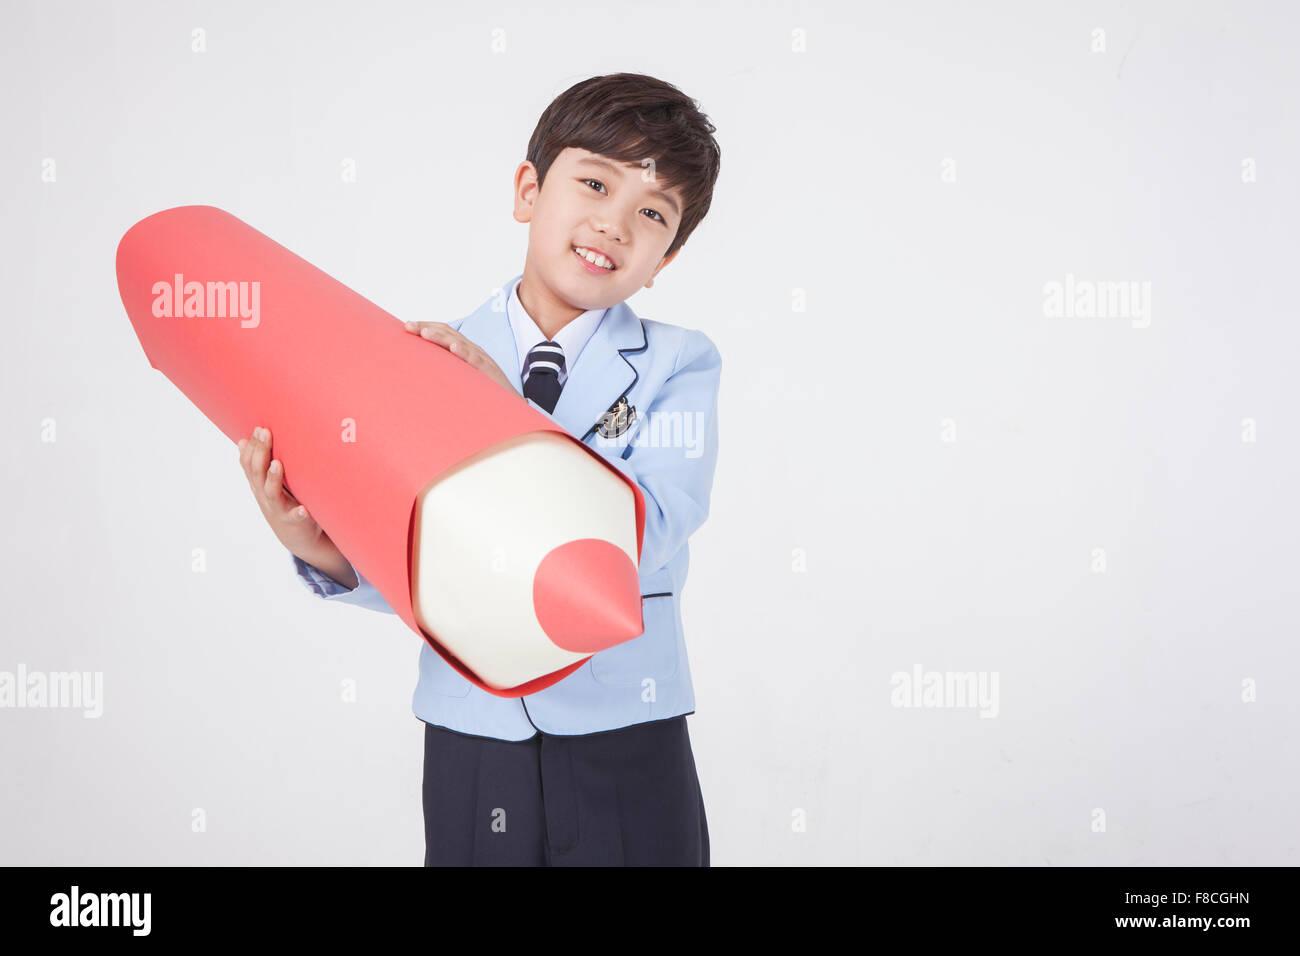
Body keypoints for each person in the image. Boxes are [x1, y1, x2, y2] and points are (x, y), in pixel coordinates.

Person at [236, 73, 723, 866]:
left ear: (665, 257)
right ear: (529, 189)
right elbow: (422, 555)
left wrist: (511, 417)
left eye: (651, 214)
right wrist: (324, 545)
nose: (613, 224)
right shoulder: (426, 358)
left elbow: (653, 529)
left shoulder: (679, 363)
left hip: (626, 725)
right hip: (473, 730)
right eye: (594, 182)